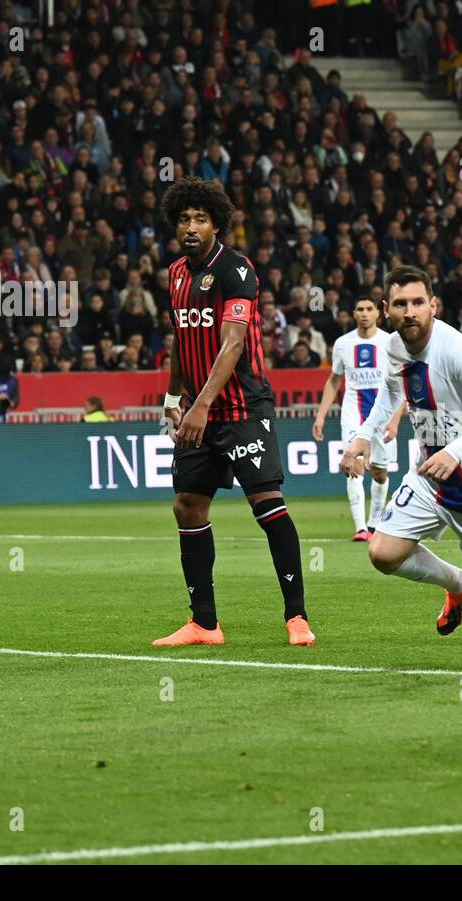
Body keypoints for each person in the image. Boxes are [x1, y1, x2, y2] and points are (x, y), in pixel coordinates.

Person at [341, 265, 462, 670]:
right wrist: (363, 435)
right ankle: (459, 584)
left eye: (418, 302)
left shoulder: (456, 351)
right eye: (401, 304)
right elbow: (389, 394)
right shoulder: (394, 347)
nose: (410, 311)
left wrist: (455, 452)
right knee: (383, 553)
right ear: (386, 310)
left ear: (433, 305)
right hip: (429, 476)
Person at [155, 176, 315, 649]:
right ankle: (204, 624)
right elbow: (181, 340)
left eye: (201, 219)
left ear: (217, 225)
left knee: (266, 504)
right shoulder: (176, 274)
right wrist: (174, 400)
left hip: (241, 407)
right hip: (197, 410)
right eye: (184, 219)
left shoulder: (236, 270)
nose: (191, 227)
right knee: (187, 506)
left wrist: (201, 405)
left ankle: (297, 617)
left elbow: (233, 343)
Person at [313, 295, 406, 541]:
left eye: (369, 309)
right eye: (359, 309)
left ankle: (374, 525)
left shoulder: (391, 342)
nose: (364, 313)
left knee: (380, 473)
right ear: (354, 314)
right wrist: (320, 416)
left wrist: (395, 420)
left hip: (384, 415)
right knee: (353, 465)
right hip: (353, 413)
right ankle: (361, 528)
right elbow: (334, 380)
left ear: (378, 313)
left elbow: (402, 383)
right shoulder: (343, 344)